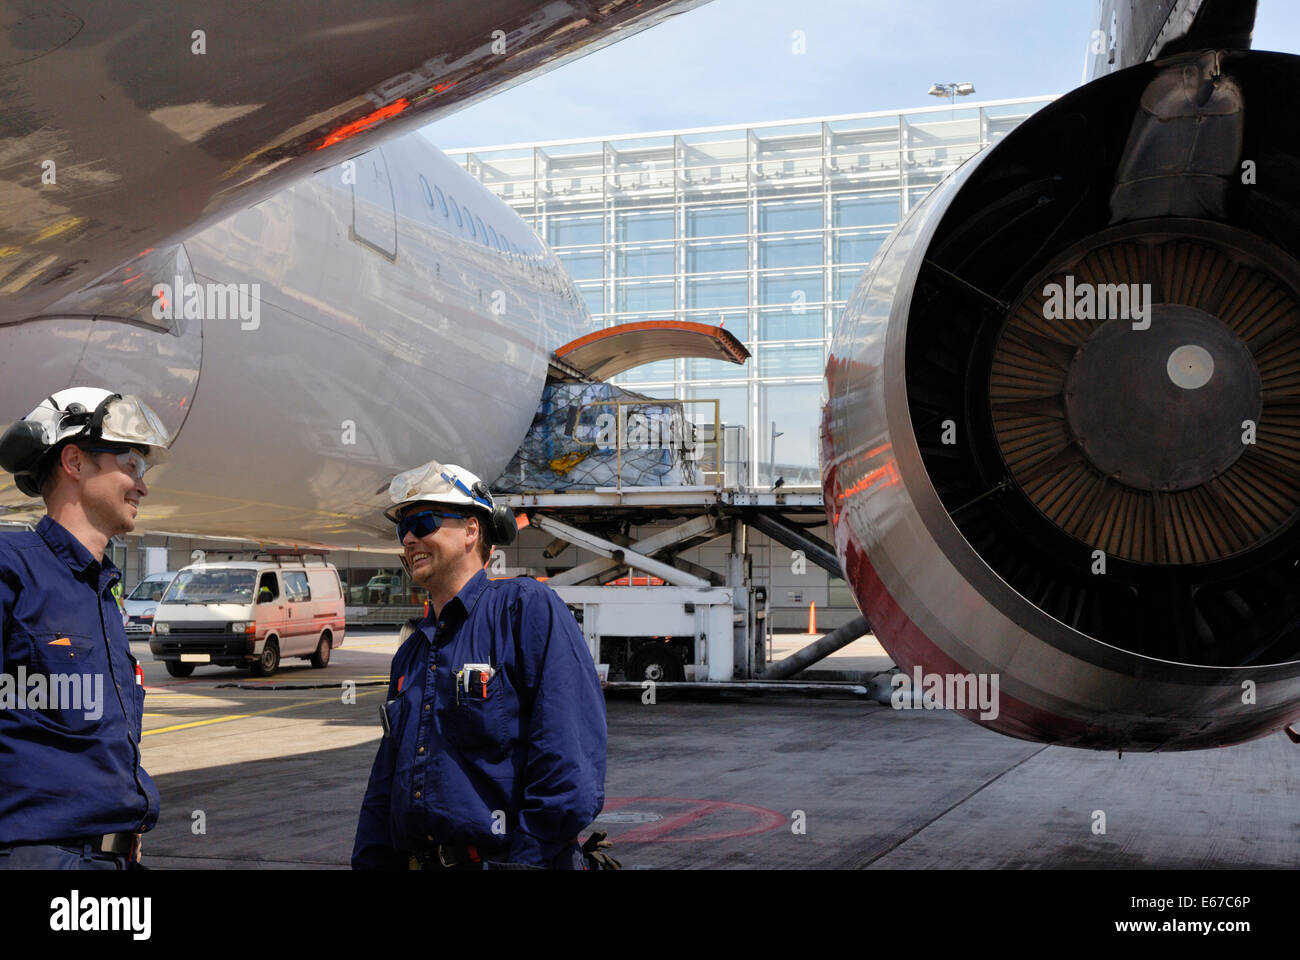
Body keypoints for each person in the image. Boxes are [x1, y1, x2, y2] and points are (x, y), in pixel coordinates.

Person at [352, 459, 607, 870]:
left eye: (423, 522)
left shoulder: (524, 610)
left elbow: (568, 764)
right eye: (403, 529)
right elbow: (385, 782)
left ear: (472, 530)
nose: (409, 540)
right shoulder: (411, 653)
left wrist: (524, 862)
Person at [0, 387, 172, 869]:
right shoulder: (11, 568)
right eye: (132, 465)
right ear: (75, 461)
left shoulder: (102, 593)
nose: (142, 485)